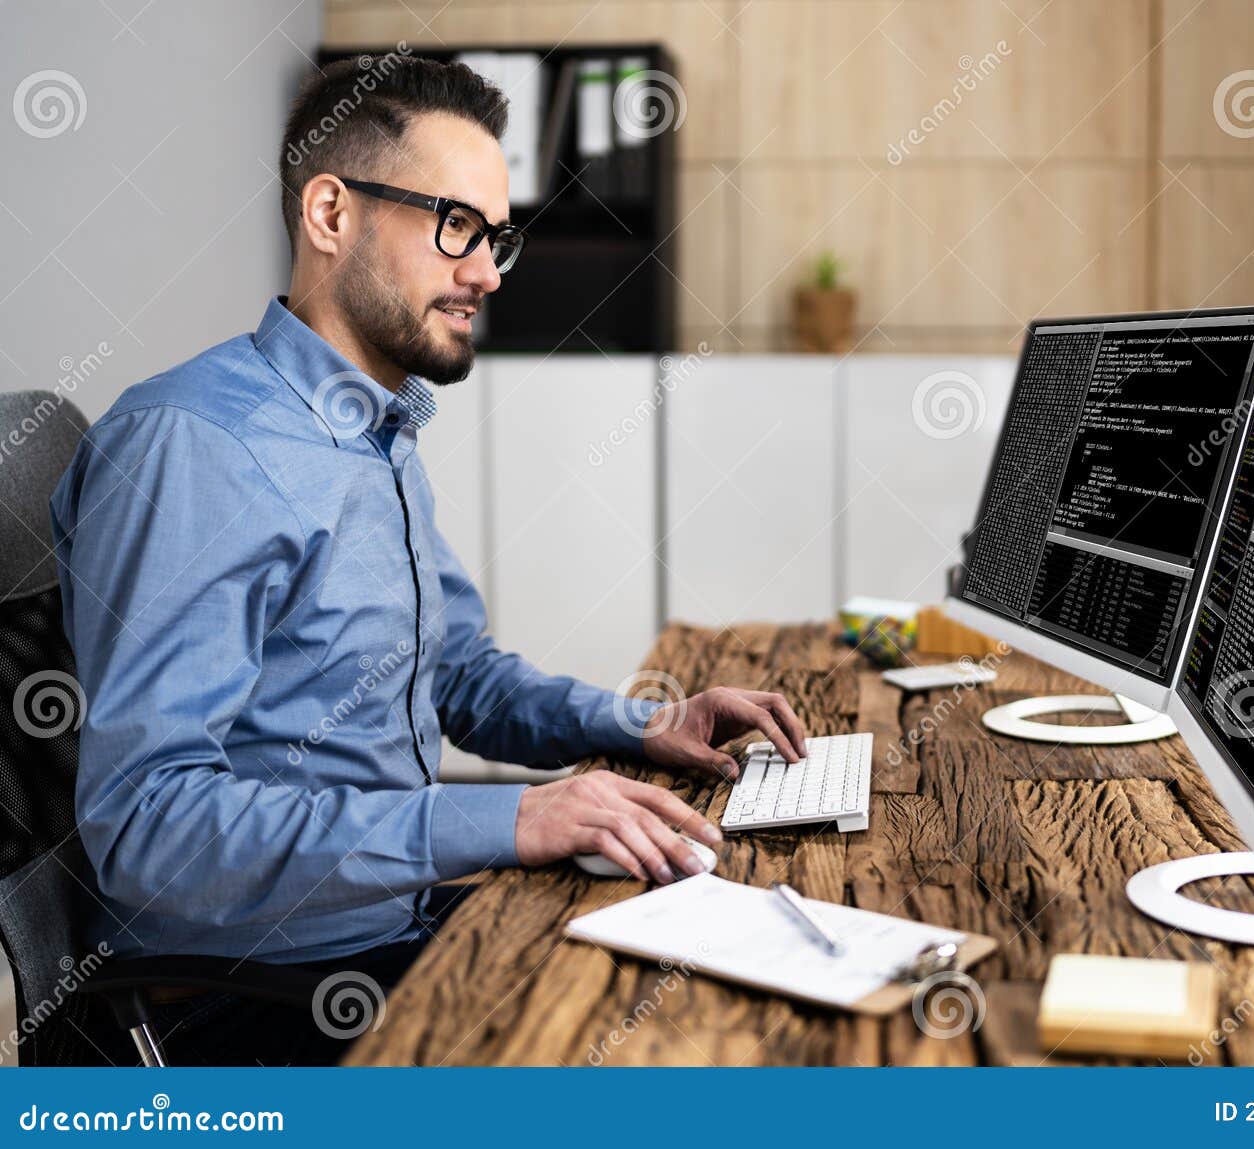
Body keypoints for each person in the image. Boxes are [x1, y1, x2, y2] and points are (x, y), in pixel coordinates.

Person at [48, 54, 807, 1065]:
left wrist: (640, 723)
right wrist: (505, 818)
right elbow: (151, 829)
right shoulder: (197, 447)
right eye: (457, 226)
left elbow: (453, 672)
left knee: (737, 975)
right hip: (243, 998)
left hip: (380, 929)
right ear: (330, 214)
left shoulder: (373, 431)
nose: (488, 272)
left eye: (497, 237)